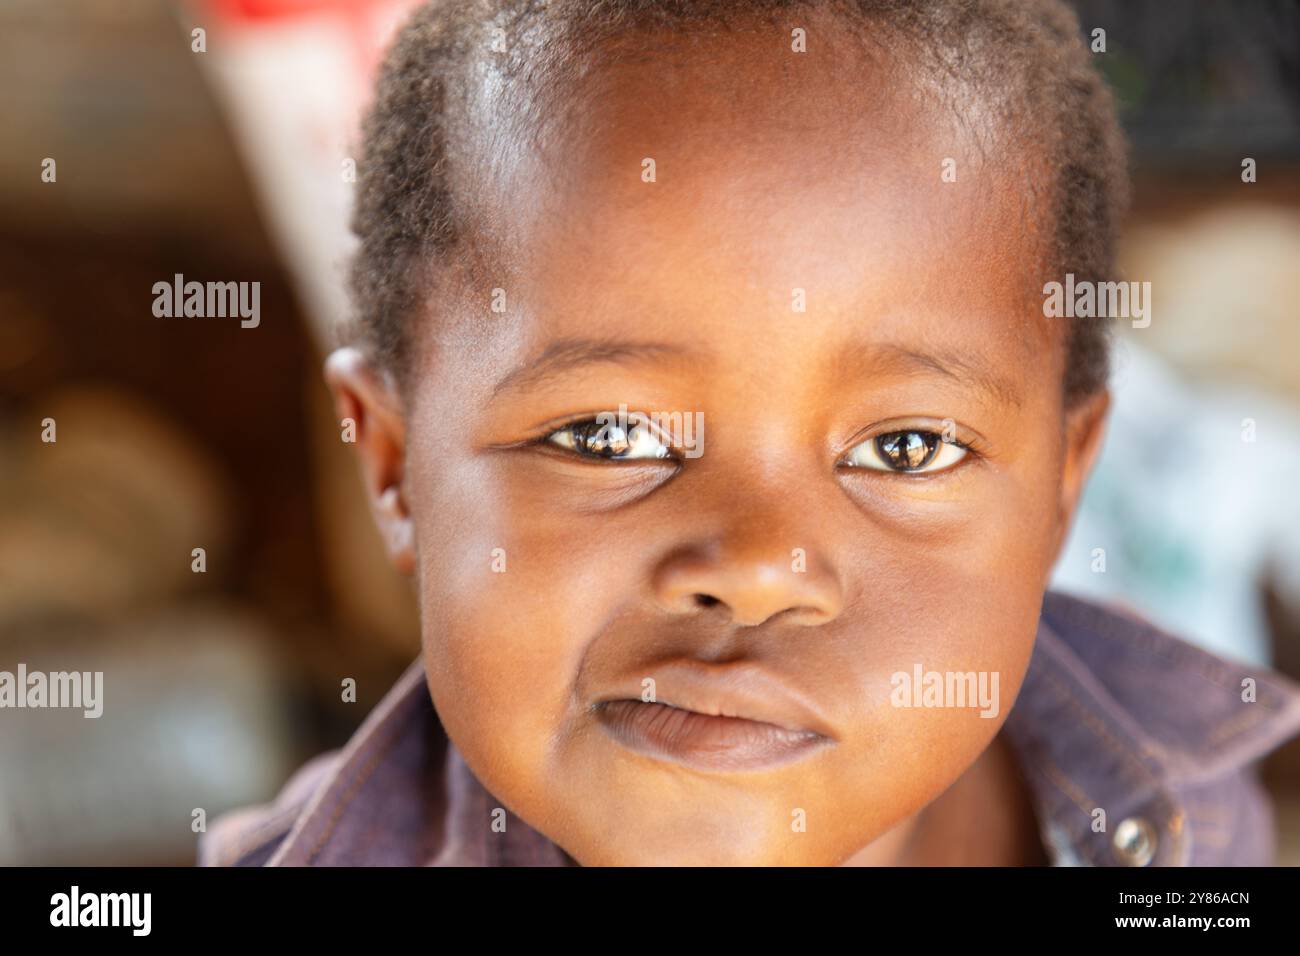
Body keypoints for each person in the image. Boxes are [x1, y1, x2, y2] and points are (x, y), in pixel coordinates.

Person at [200, 0, 1300, 867]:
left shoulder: (1176, 799)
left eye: (905, 448)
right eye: (608, 434)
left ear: (1062, 490)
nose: (759, 567)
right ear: (392, 465)